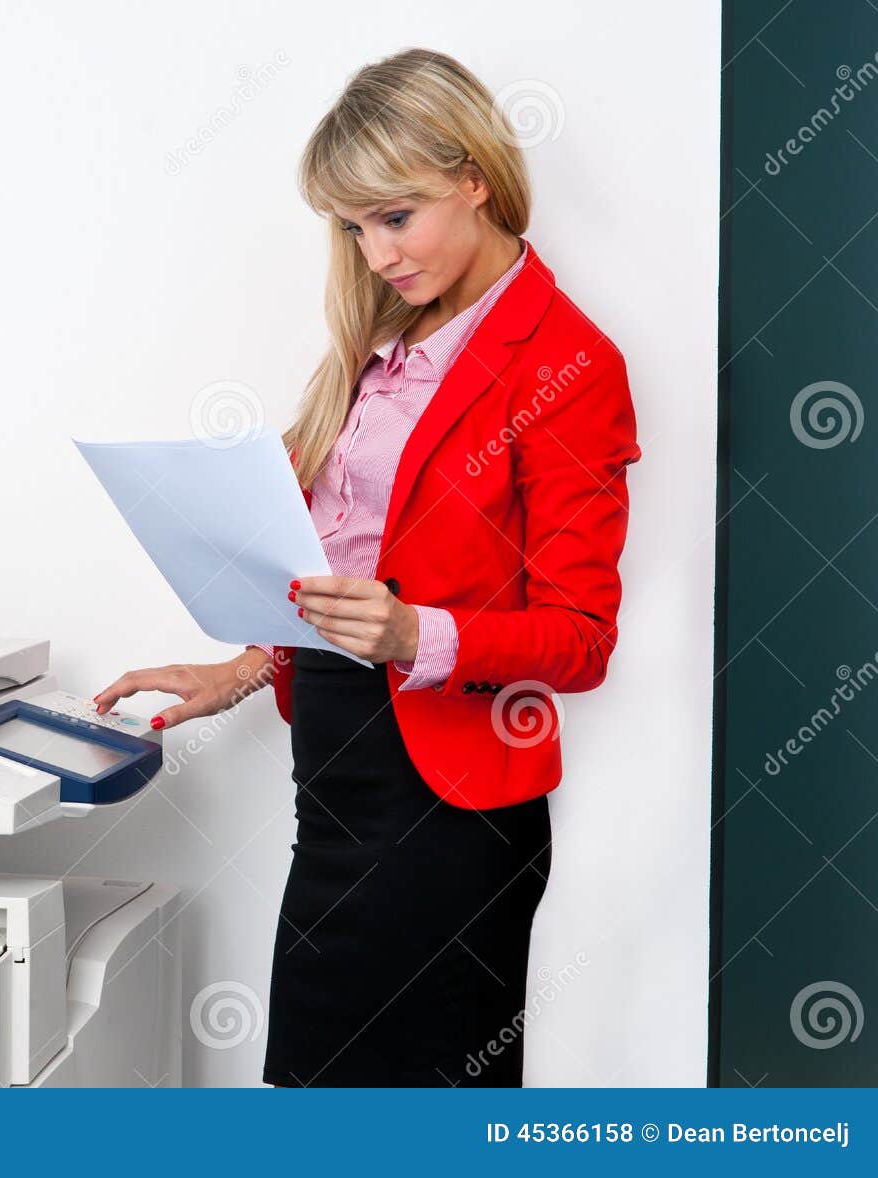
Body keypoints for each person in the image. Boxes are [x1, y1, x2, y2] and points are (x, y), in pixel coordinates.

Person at [93, 47, 641, 1087]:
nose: (375, 250)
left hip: (449, 802)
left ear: (473, 174)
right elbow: (340, 565)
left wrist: (412, 632)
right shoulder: (380, 342)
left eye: (394, 215)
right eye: (352, 226)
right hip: (338, 773)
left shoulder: (566, 363)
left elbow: (580, 636)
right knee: (310, 1080)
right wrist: (244, 667)